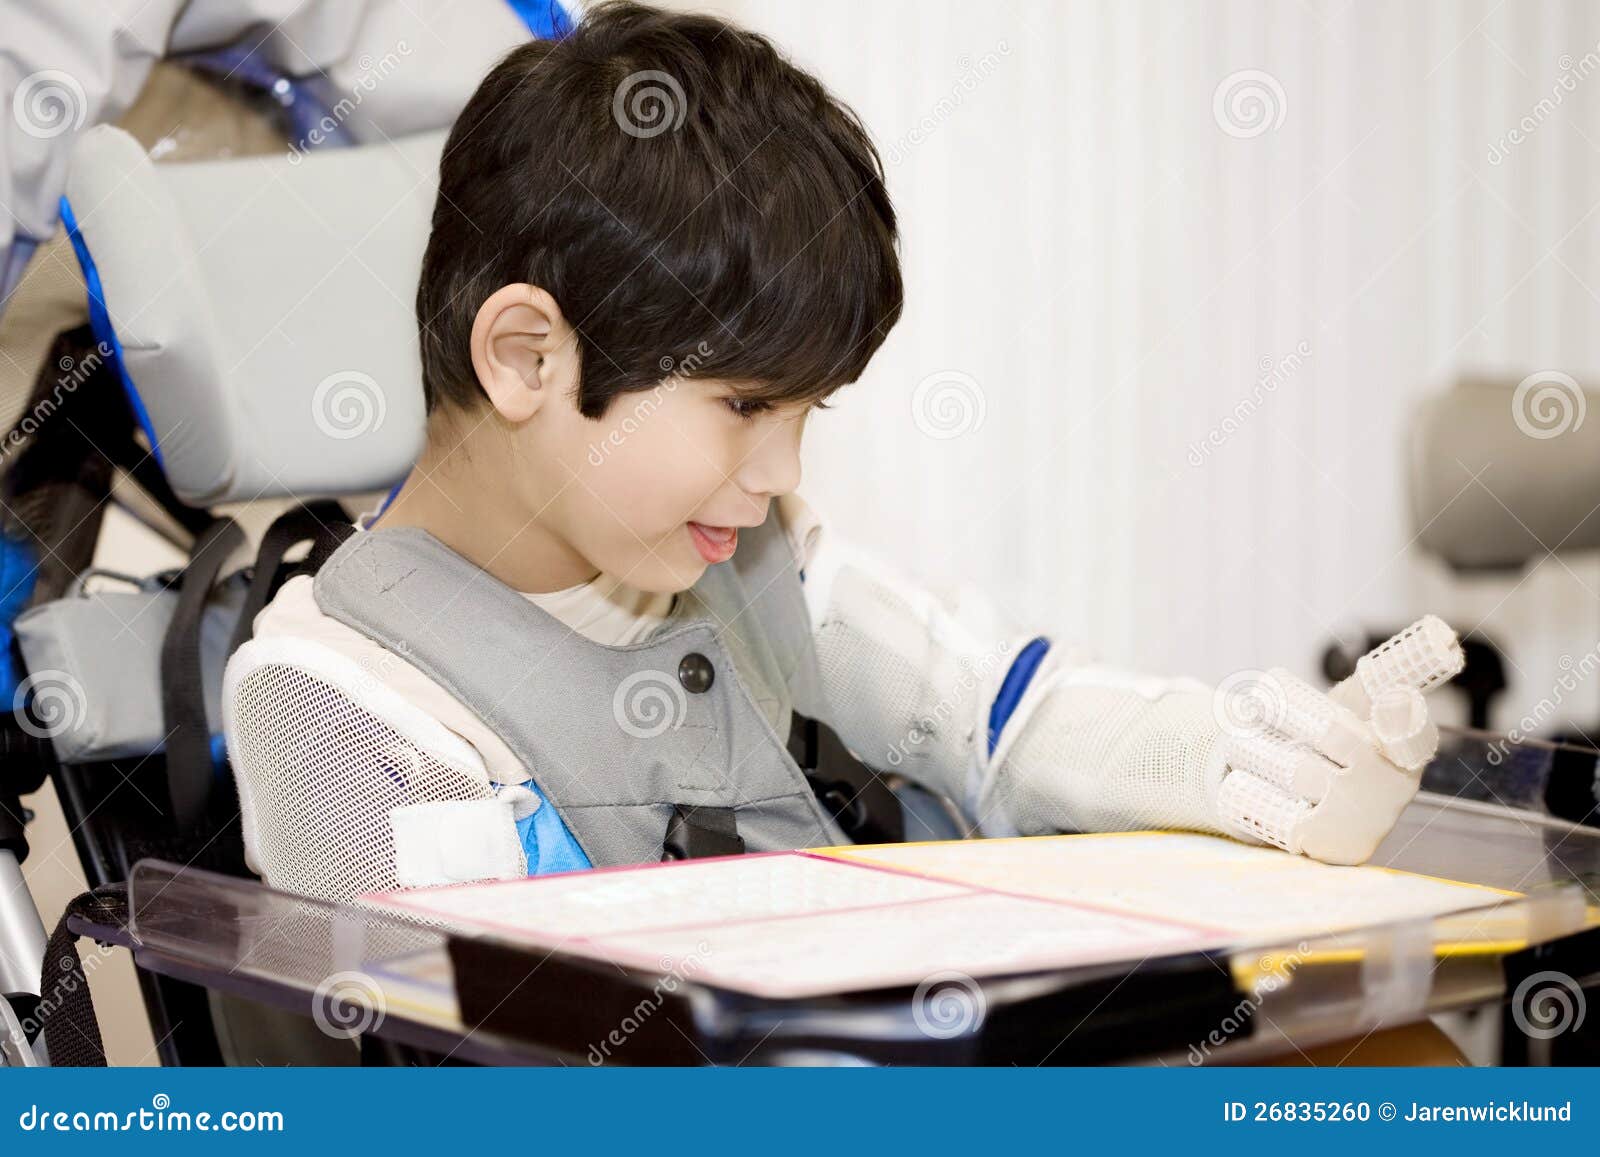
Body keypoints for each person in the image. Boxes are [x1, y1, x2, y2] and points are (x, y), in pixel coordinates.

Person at [228, 1, 1456, 892]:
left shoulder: (753, 564)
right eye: (747, 406)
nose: (781, 476)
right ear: (526, 358)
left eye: (810, 416)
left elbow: (1000, 719)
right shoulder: (337, 707)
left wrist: (1241, 763)